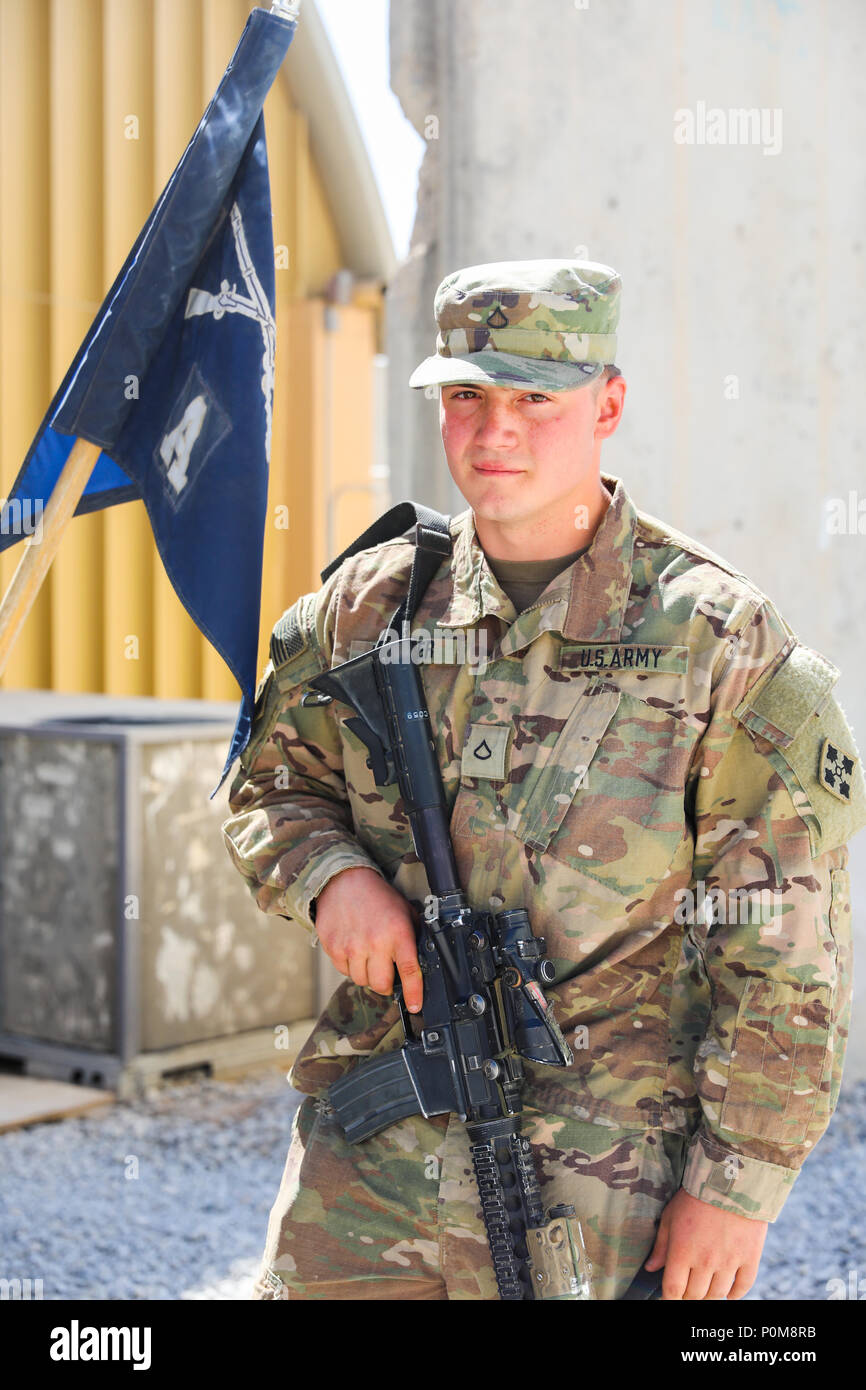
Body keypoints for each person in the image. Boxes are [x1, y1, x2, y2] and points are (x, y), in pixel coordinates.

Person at [222, 259, 865, 1301]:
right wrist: (331, 875)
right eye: (465, 397)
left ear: (606, 404)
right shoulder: (366, 606)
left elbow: (782, 936)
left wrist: (737, 1184)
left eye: (534, 397)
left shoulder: (712, 635)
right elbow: (268, 783)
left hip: (601, 1181)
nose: (495, 431)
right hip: (368, 1174)